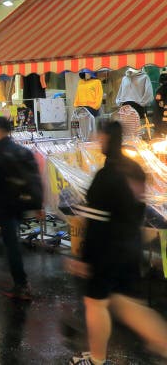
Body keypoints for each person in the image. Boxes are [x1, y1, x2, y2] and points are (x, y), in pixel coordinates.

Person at [68, 121, 167, 365]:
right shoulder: (134, 169)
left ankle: (97, 360)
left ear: (105, 138)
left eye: (100, 137)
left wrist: (84, 259)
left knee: (95, 303)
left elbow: (96, 224)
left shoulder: (105, 177)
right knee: (128, 305)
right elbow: (141, 208)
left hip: (107, 251)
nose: (98, 141)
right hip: (130, 247)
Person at [0, 116, 35, 300]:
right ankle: (21, 282)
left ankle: (21, 284)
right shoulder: (22, 150)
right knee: (12, 242)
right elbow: (33, 178)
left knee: (12, 245)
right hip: (20, 204)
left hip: (5, 206)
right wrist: (36, 204)